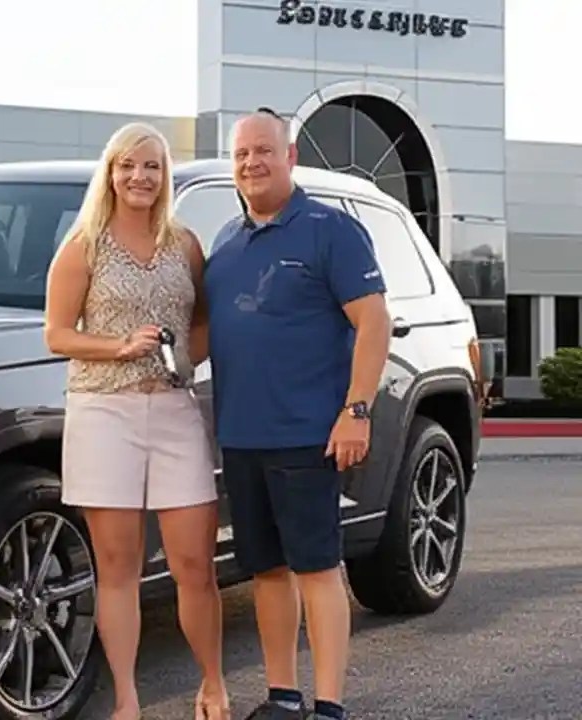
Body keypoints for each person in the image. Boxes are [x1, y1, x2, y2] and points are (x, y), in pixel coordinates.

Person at [202, 107, 391, 720]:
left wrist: (355, 411)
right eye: (241, 155)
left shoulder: (329, 230)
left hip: (310, 434)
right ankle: (283, 697)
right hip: (242, 435)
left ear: (291, 156)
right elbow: (207, 334)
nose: (251, 163)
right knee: (267, 571)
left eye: (263, 150)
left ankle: (329, 705)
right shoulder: (227, 241)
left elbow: (373, 322)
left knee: (316, 566)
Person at [45, 121, 228, 720]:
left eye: (152, 166)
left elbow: (202, 319)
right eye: (128, 165)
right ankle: (127, 700)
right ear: (111, 172)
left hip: (174, 411)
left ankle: (213, 686)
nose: (140, 177)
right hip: (104, 414)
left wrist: (187, 360)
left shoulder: (185, 244)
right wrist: (118, 347)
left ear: (165, 175)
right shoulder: (83, 246)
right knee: (119, 568)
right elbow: (57, 334)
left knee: (194, 565)